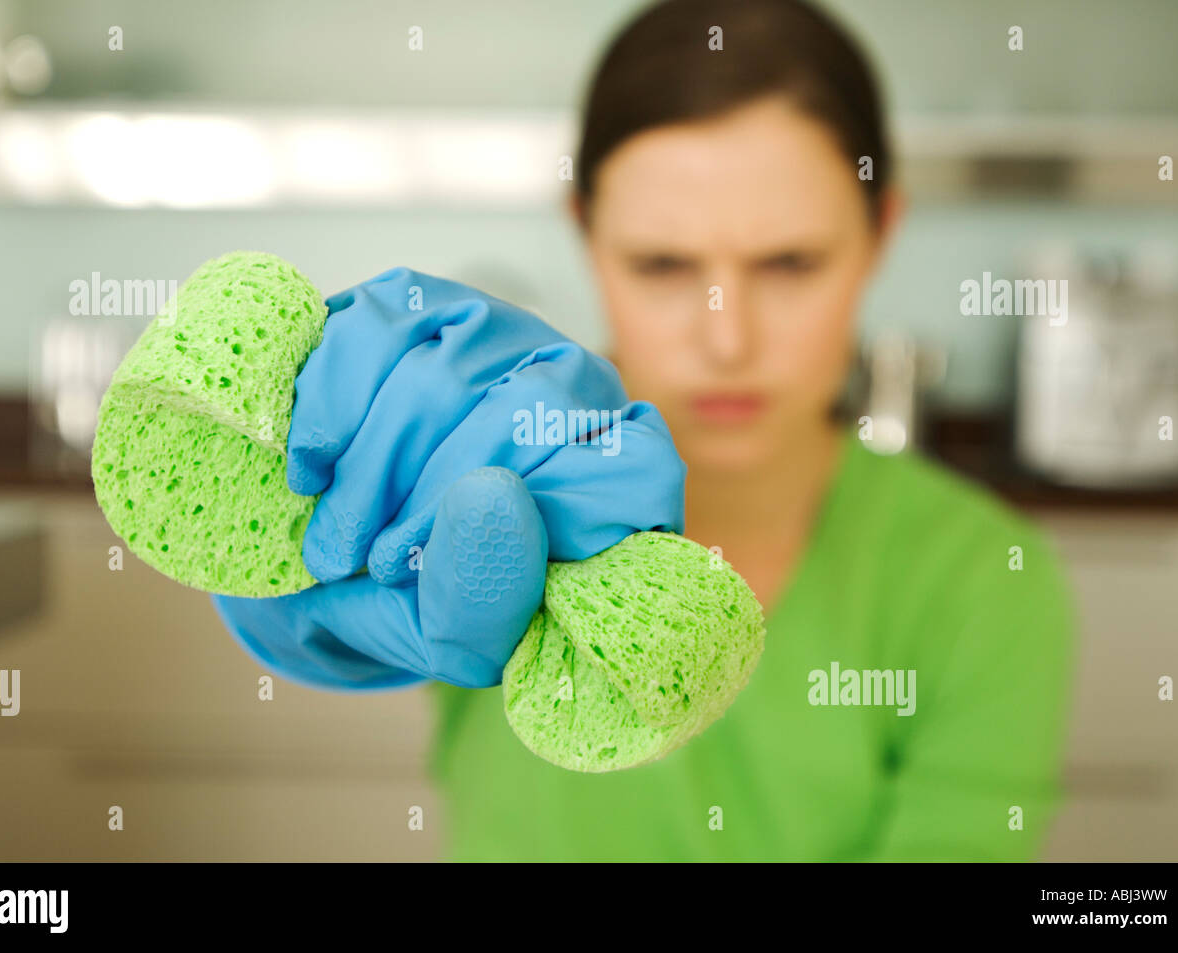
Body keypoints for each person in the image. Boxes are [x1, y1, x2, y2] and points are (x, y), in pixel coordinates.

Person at [215, 0, 1074, 861]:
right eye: (665, 265)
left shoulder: (981, 579)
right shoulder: (496, 474)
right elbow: (307, 586)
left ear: (880, 233)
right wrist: (293, 567)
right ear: (585, 232)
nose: (726, 337)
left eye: (789, 264)